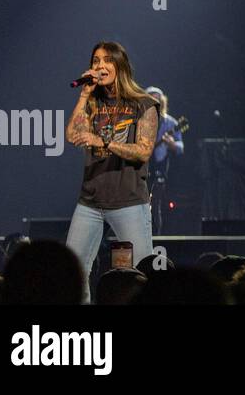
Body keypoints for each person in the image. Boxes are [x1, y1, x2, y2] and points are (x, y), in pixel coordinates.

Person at [65, 41, 159, 303]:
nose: (100, 66)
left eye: (107, 60)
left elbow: (143, 151)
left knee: (141, 273)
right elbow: (72, 135)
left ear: (120, 65)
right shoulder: (92, 102)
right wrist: (84, 95)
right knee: (73, 272)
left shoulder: (144, 104)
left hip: (128, 200)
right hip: (90, 201)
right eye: (95, 61)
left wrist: (104, 142)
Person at [146, 86, 184, 235]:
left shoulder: (171, 123)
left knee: (156, 204)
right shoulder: (139, 121)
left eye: (157, 99)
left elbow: (180, 147)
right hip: (141, 168)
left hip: (160, 167)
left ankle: (156, 238)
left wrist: (171, 144)